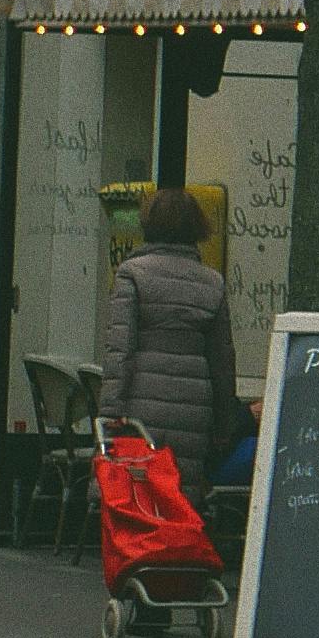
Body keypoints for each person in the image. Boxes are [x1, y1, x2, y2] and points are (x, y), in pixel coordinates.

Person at [97, 186, 237, 509]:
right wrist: (223, 423)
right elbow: (222, 360)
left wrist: (111, 413)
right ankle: (178, 548)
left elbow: (120, 348)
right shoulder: (212, 282)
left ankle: (142, 550)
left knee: (140, 487)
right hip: (194, 403)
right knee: (181, 487)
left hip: (141, 399)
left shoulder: (132, 274)